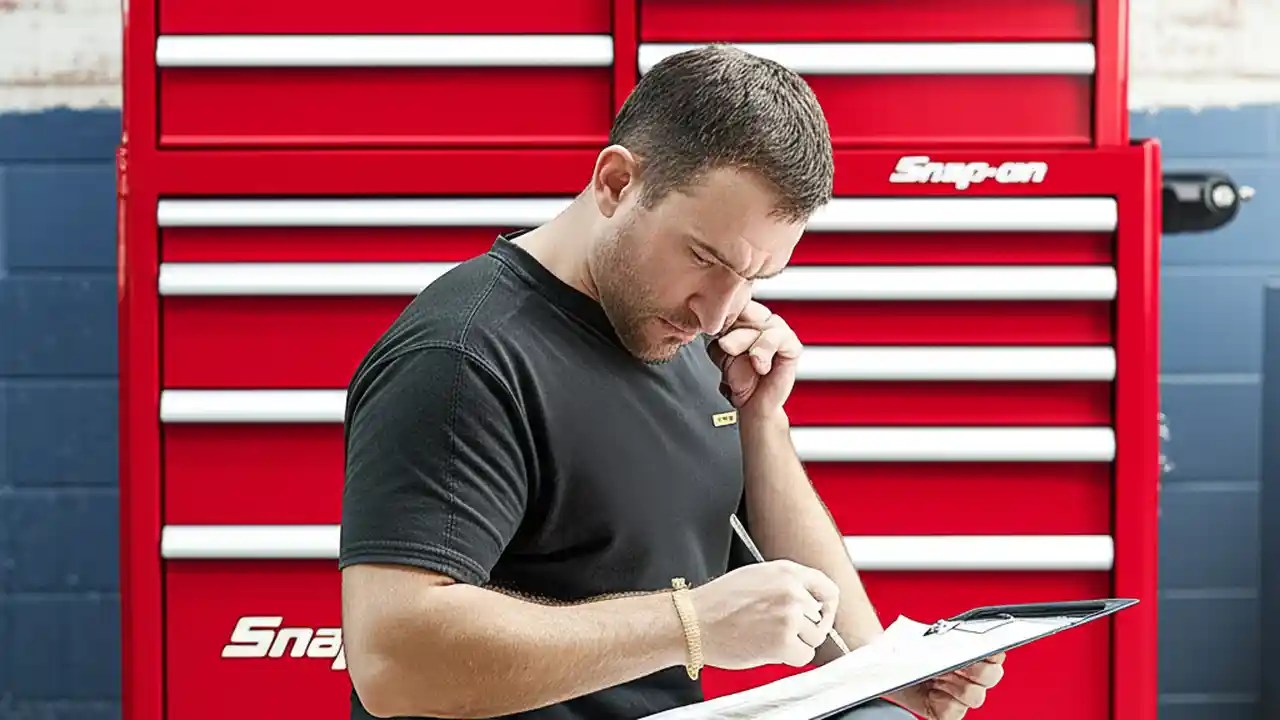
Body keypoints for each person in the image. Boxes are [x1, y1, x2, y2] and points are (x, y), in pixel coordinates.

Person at [337, 43, 1005, 720]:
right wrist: (691, 624)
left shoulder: (673, 326)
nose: (718, 309)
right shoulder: (464, 357)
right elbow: (392, 660)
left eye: (752, 276)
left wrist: (883, 674)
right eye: (704, 256)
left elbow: (802, 597)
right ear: (616, 183)